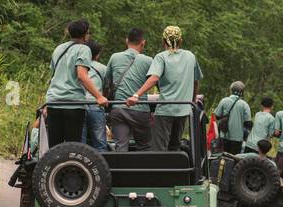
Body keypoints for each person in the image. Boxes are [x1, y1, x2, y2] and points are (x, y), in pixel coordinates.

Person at [127, 24, 202, 152]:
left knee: (159, 149)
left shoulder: (161, 57)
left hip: (165, 110)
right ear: (180, 41)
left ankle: (159, 171)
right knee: (175, 146)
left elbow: (154, 78)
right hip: (183, 109)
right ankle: (174, 171)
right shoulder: (190, 56)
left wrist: (136, 95)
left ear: (163, 42)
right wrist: (193, 100)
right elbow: (196, 81)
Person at [44, 18, 108, 147]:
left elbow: (54, 75)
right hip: (72, 104)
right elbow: (82, 75)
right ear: (85, 35)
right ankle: (70, 167)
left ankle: (55, 166)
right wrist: (99, 97)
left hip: (53, 101)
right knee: (73, 147)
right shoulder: (83, 49)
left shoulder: (59, 48)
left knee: (55, 146)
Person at [104, 28, 153, 152]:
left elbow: (106, 82)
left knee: (121, 146)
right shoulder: (148, 61)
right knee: (144, 146)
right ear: (143, 43)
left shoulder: (114, 57)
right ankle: (144, 171)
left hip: (118, 109)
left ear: (127, 41)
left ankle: (122, 171)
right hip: (140, 110)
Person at [81, 40, 109, 151]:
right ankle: (103, 164)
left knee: (80, 142)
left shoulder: (79, 66)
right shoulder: (103, 68)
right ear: (98, 54)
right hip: (96, 105)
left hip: (80, 104)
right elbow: (107, 87)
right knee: (100, 141)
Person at [214, 82, 251, 155]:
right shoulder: (244, 105)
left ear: (231, 90)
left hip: (224, 136)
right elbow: (248, 123)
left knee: (223, 158)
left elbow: (217, 116)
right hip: (237, 138)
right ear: (242, 92)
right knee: (234, 159)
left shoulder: (224, 101)